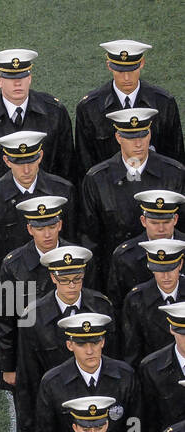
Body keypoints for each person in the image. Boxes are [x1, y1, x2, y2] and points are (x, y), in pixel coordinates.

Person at [0, 48, 74, 238]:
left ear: (30, 77)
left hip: (48, 219)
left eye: (23, 76)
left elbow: (68, 168)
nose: (18, 83)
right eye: (11, 77)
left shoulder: (55, 112)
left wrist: (68, 220)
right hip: (1, 219)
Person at [32, 314, 139, 432]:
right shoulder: (52, 382)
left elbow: (135, 425)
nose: (90, 351)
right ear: (70, 345)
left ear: (103, 342)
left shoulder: (125, 376)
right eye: (82, 344)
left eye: (95, 343)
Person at [79, 108, 185, 289]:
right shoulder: (97, 179)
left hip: (170, 270)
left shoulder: (174, 173)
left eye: (143, 136)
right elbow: (90, 238)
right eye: (130, 137)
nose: (138, 143)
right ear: (118, 138)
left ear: (150, 134)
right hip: (120, 274)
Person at [0, 133, 72, 313]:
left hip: (59, 288)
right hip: (13, 289)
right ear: (7, 161)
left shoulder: (63, 190)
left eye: (31, 161)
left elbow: (73, 238)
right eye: (19, 163)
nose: (26, 170)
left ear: (40, 156)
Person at [75, 41, 185, 179]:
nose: (126, 78)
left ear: (142, 63)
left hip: (155, 187)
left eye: (132, 70)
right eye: (120, 71)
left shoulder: (164, 103)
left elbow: (175, 157)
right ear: (109, 65)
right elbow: (84, 164)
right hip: (109, 191)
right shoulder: (89, 108)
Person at [0, 194, 67, 390]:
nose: (47, 234)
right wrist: (8, 366)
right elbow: (6, 319)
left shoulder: (78, 258)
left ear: (59, 225)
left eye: (51, 227)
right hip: (29, 355)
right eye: (40, 228)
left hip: (67, 351)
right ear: (30, 229)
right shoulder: (13, 265)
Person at [120, 239, 185, 365]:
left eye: (171, 269)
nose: (166, 276)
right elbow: (132, 350)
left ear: (181, 264)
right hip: (154, 374)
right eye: (160, 270)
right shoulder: (137, 299)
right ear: (150, 267)